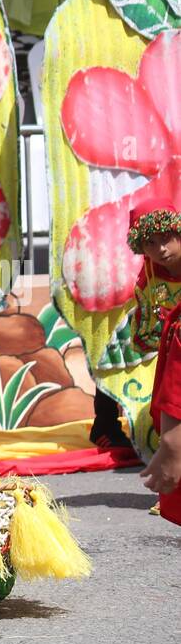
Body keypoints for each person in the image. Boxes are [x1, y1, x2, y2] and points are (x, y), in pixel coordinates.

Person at [131, 201, 181, 521]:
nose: (160, 249)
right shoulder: (149, 275)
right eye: (150, 242)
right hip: (173, 354)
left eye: (167, 237)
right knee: (167, 413)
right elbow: (145, 328)